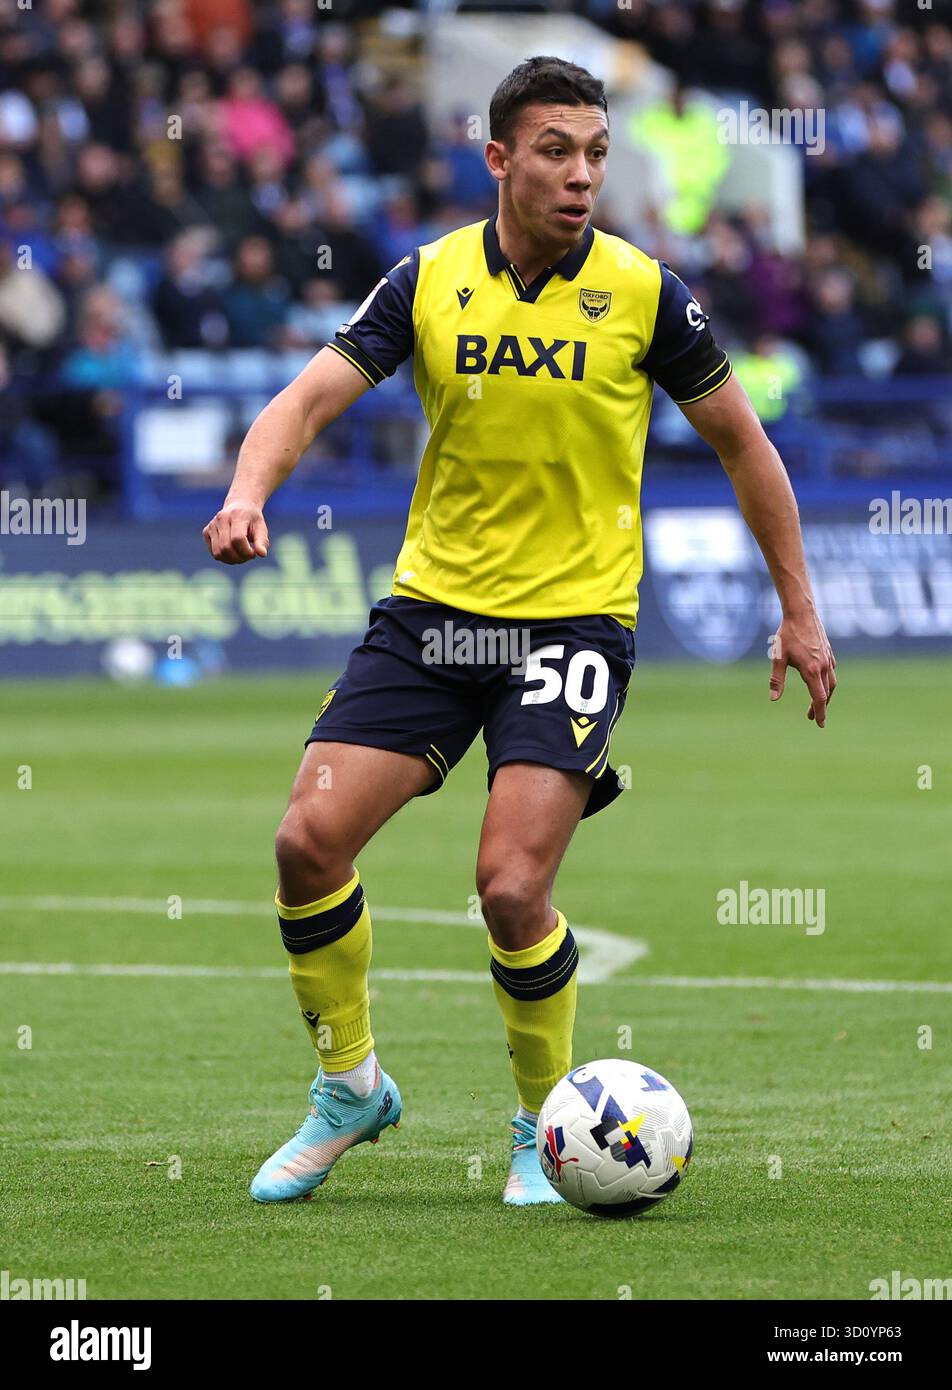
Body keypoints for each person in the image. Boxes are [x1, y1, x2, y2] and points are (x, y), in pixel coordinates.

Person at [203, 56, 836, 1207]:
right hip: (434, 615)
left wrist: (799, 609)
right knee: (306, 841)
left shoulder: (649, 293)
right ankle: (350, 1087)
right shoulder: (428, 279)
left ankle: (538, 1124)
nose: (581, 174)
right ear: (497, 158)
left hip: (572, 626)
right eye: (555, 150)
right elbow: (303, 401)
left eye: (595, 151)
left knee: (508, 885)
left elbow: (747, 445)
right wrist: (249, 491)